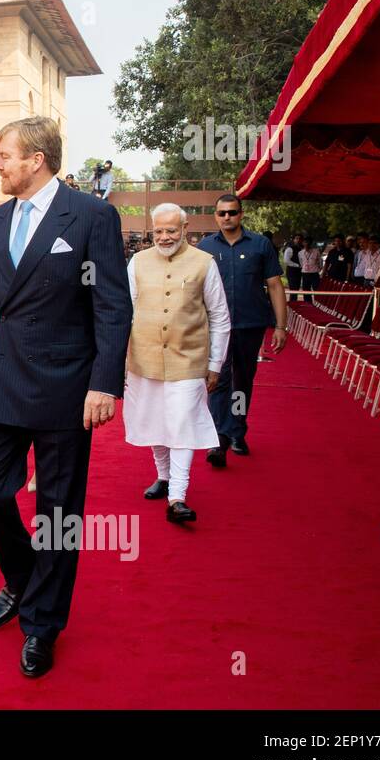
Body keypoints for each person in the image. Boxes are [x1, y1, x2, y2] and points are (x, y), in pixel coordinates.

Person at [0, 116, 132, 678]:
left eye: (4, 155)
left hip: (67, 389)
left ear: (35, 159)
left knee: (58, 512)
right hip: (0, 384)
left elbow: (113, 305)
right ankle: (22, 576)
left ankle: (43, 624)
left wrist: (105, 383)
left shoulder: (91, 216)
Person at [125, 204, 230, 523]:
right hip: (144, 359)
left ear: (185, 229)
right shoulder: (138, 262)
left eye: (171, 230)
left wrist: (215, 364)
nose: (164, 236)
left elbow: (220, 316)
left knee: (182, 422)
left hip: (189, 360)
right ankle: (163, 476)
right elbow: (125, 311)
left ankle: (177, 497)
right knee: (154, 419)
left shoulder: (204, 263)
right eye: (158, 231)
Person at [197, 194, 288, 465]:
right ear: (216, 216)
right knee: (217, 379)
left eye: (232, 212)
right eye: (222, 213)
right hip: (215, 327)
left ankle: (237, 430)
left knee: (242, 382)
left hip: (251, 324)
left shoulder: (261, 245)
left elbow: (274, 285)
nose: (227, 217)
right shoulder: (204, 247)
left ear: (241, 214)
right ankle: (218, 439)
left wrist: (281, 326)